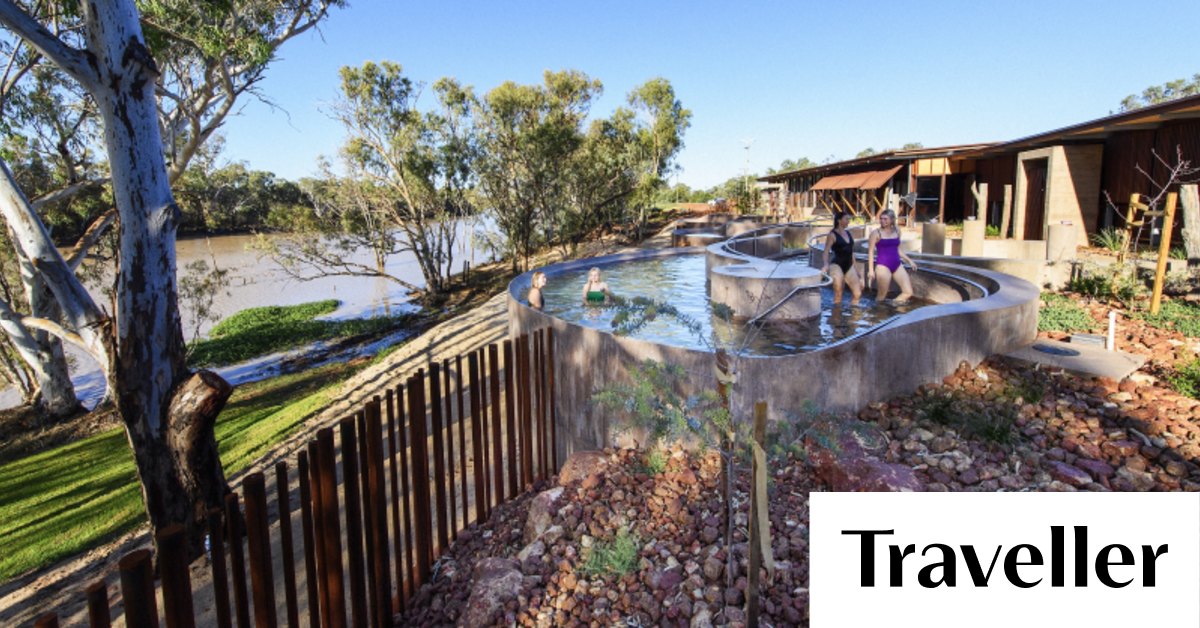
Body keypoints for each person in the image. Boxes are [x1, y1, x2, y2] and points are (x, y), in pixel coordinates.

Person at [867, 209, 918, 302]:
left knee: (908, 292)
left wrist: (909, 260)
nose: (882, 221)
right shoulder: (875, 233)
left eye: (885, 219)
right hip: (883, 266)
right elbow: (870, 252)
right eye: (881, 219)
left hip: (897, 265)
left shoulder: (897, 231)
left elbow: (898, 249)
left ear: (892, 220)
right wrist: (871, 270)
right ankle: (878, 313)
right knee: (881, 296)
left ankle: (892, 306)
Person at [819, 211, 863, 306]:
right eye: (846, 219)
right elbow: (826, 251)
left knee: (857, 293)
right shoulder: (832, 235)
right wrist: (826, 264)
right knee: (838, 293)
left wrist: (856, 269)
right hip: (837, 265)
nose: (848, 221)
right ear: (839, 220)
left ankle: (853, 317)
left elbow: (851, 253)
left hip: (849, 265)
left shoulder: (848, 233)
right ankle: (836, 317)